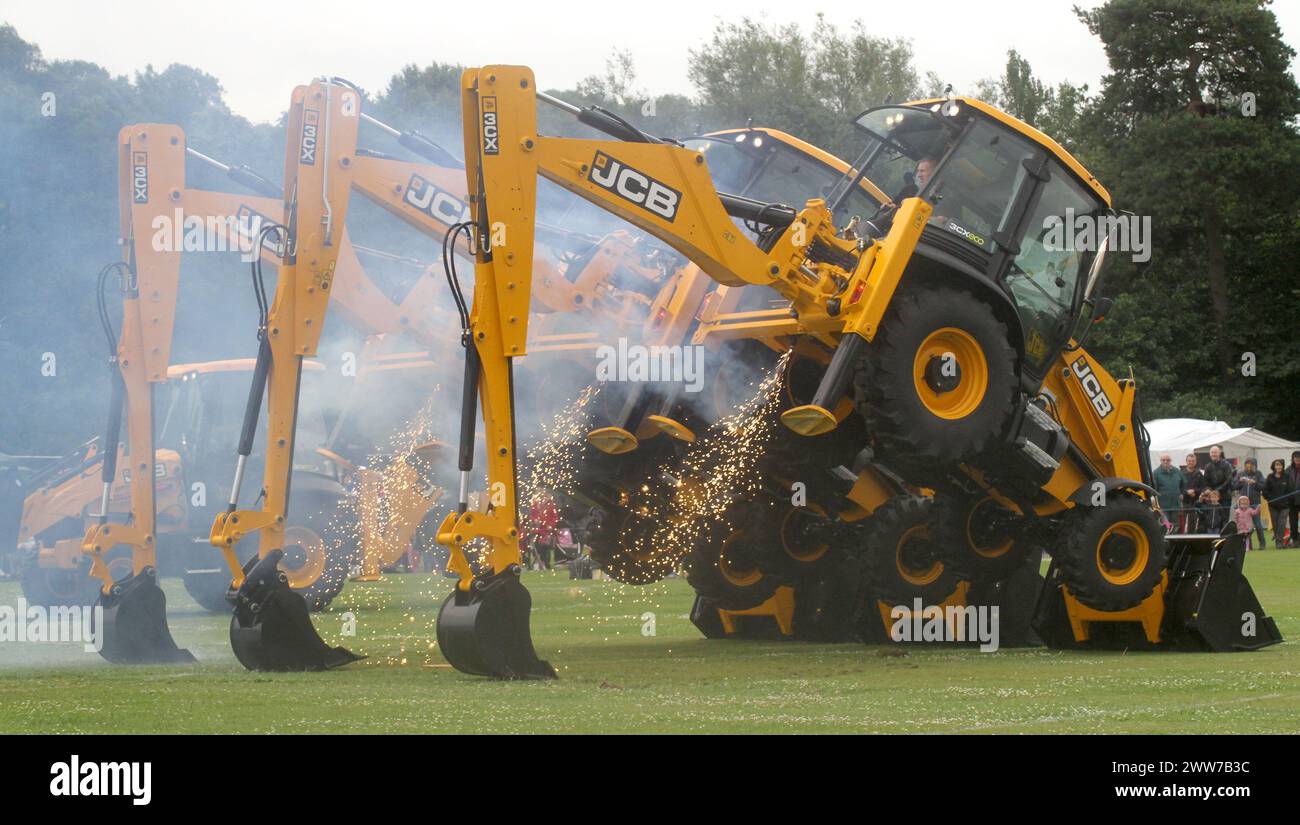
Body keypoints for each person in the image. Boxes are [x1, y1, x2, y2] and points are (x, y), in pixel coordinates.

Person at [1233, 458, 1267, 548]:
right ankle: (1248, 544)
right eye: (1247, 464)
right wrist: (1240, 481)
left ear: (1255, 465)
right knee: (1243, 525)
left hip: (1255, 503)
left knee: (1258, 525)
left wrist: (1255, 483)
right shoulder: (1240, 474)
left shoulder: (1258, 474)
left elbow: (1263, 486)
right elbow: (1234, 486)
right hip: (1242, 505)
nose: (1249, 466)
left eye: (1251, 465)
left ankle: (1262, 543)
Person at [1201, 445, 1235, 534]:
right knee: (1212, 521)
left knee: (1224, 520)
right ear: (1209, 454)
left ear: (1219, 453)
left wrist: (1218, 490)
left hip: (1225, 496)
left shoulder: (1226, 465)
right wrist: (1207, 489)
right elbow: (1205, 482)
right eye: (1212, 452)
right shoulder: (1208, 466)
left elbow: (1229, 479)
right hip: (1212, 499)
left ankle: (1224, 539)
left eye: (1215, 452)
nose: (1214, 454)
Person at [1263, 458, 1293, 548]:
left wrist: (1287, 500)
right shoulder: (1269, 477)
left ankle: (1280, 542)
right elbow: (1265, 490)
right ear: (1274, 466)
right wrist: (1269, 498)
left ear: (1283, 466)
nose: (1278, 467)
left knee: (1282, 523)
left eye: (1280, 465)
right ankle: (1278, 541)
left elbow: (1290, 490)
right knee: (1275, 524)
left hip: (1285, 506)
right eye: (1277, 465)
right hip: (1273, 505)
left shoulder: (1287, 477)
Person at [1153, 454, 1186, 529]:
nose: (1165, 462)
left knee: (1176, 526)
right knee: (1165, 526)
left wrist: (1182, 493)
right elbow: (1153, 489)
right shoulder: (1156, 473)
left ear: (1171, 461)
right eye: (1163, 460)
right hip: (1163, 506)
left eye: (1168, 460)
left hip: (1175, 505)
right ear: (1160, 461)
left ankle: (1175, 540)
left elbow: (1184, 483)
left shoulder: (1177, 471)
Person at [1181, 453, 1206, 532]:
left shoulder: (1199, 474)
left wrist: (1194, 491)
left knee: (1192, 524)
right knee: (1181, 524)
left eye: (1193, 461)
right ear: (1186, 462)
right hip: (1183, 502)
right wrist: (1186, 492)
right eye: (1189, 461)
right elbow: (1178, 487)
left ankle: (1190, 541)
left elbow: (1203, 487)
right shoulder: (1181, 474)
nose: (1191, 462)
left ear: (1195, 462)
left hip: (1194, 502)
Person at [1287, 451, 1300, 549]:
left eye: (1299, 457)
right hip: (1292, 500)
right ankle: (1294, 540)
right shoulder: (1288, 469)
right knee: (1293, 522)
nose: (1297, 459)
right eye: (1295, 457)